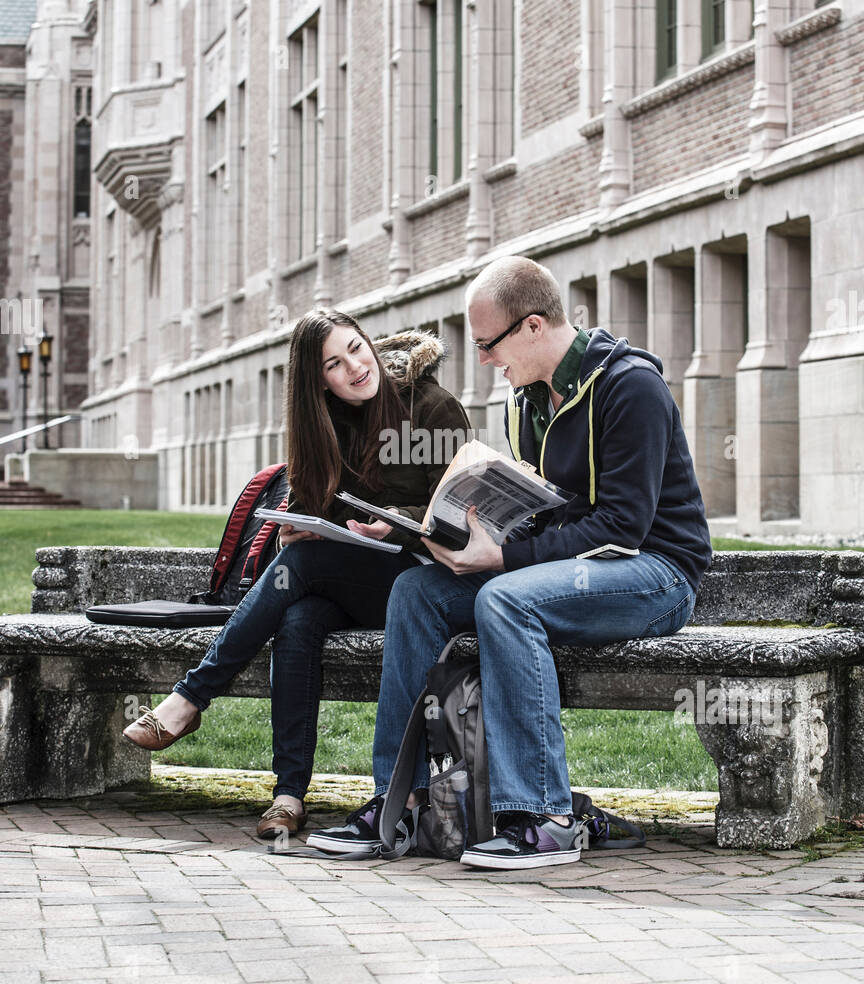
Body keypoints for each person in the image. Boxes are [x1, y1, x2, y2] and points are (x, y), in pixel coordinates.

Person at [307, 256, 713, 869]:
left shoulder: (631, 385)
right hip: (572, 567)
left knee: (506, 598)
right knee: (417, 592)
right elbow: (549, 511)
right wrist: (440, 530)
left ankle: (544, 817)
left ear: (531, 327)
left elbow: (624, 526)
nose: (484, 361)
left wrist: (505, 558)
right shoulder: (526, 402)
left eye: (488, 344)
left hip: (656, 573)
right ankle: (406, 802)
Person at [123, 309, 471, 842]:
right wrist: (299, 529)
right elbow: (312, 505)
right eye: (335, 363)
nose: (356, 366)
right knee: (299, 620)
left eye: (357, 347)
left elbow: (457, 514)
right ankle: (288, 796)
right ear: (318, 382)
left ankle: (191, 697)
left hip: (417, 583)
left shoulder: (431, 408)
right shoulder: (322, 423)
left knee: (303, 569)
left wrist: (396, 532)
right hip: (342, 577)